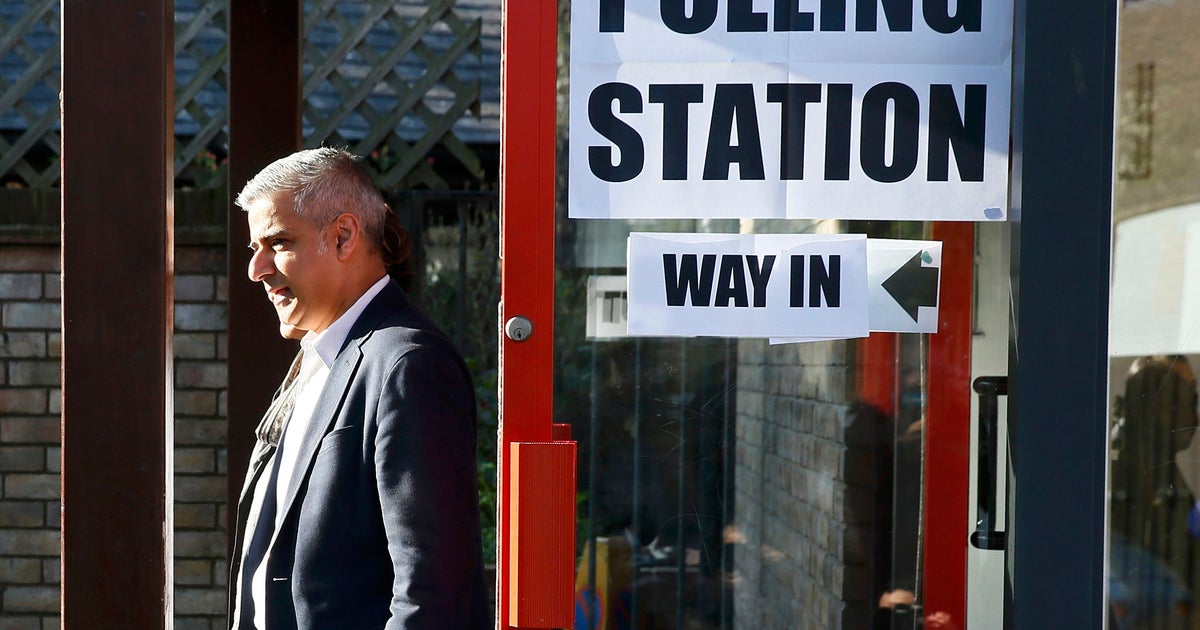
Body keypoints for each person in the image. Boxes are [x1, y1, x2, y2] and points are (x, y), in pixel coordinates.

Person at [227, 147, 491, 629]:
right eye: (254, 248)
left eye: (278, 242)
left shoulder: (407, 363)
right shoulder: (323, 354)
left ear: (345, 236)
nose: (257, 269)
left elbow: (431, 593)